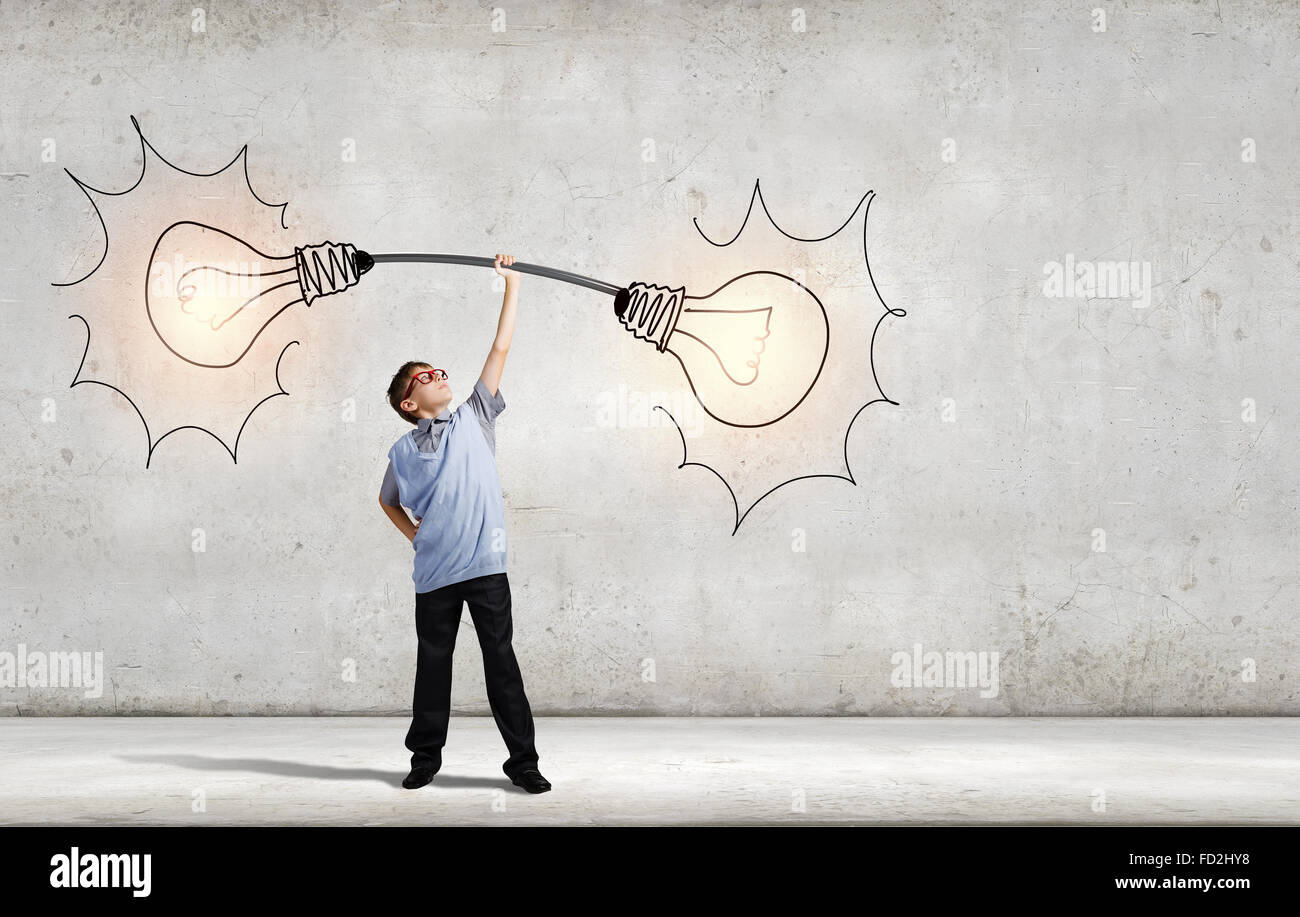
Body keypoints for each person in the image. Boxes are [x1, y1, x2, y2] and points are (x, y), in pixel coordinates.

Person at [378, 254, 549, 794]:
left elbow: (500, 347)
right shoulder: (402, 450)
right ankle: (425, 758)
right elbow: (387, 501)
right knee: (434, 665)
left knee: (501, 661)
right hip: (434, 576)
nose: (439, 375)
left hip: (484, 566)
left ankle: (523, 762)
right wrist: (417, 537)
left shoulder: (474, 415)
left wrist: (511, 284)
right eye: (425, 377)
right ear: (410, 402)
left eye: (439, 370)